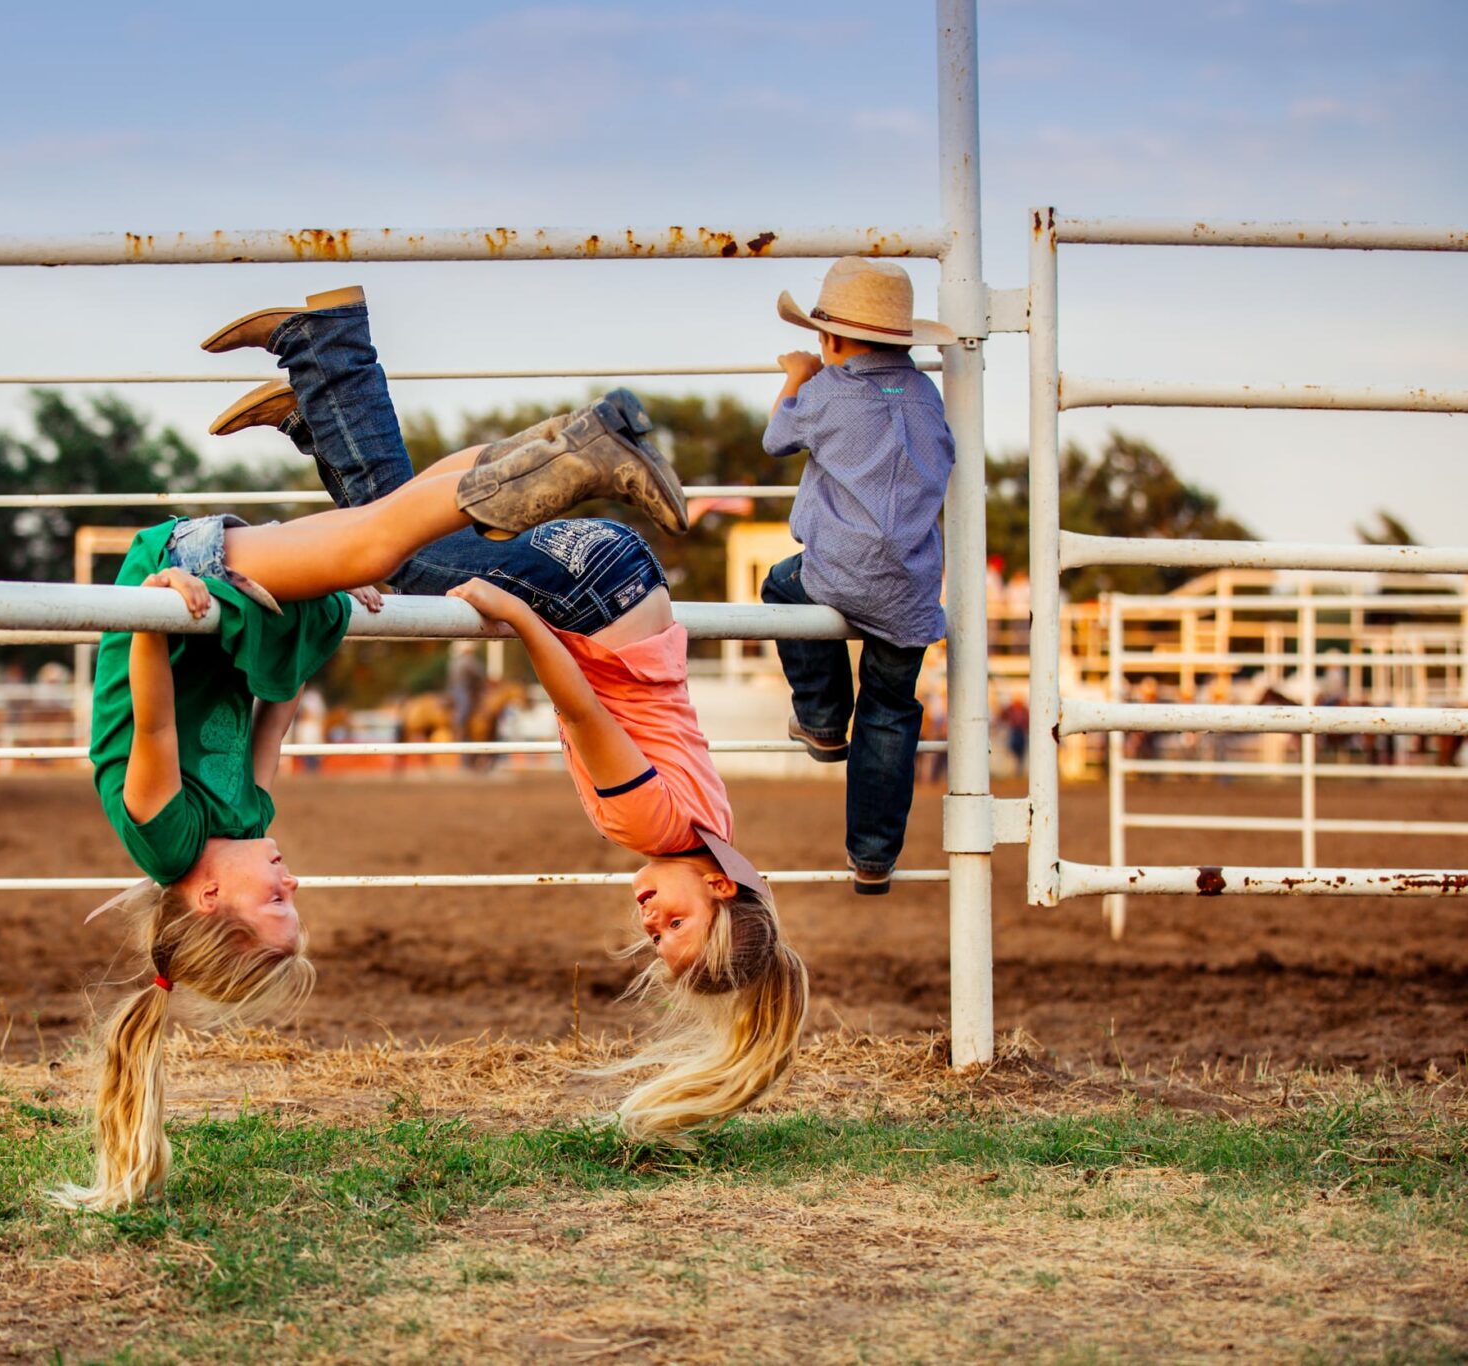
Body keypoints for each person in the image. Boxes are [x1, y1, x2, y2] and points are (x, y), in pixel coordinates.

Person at [58, 328, 689, 1212]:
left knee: (374, 544)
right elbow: (272, 706)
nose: (292, 881)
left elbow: (153, 721)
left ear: (208, 902)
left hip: (170, 591)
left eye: (275, 903)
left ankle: (574, 453)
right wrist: (326, 607)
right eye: (294, 900)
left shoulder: (166, 843)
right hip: (236, 630)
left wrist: (152, 615)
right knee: (377, 549)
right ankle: (569, 437)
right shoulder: (246, 821)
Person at [204, 286, 808, 1142]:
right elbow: (580, 706)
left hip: (618, 583)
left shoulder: (712, 826)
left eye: (652, 937)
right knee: (400, 554)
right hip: (590, 600)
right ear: (718, 888)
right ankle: (333, 354)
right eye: (674, 922)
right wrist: (518, 620)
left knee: (405, 518)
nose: (646, 919)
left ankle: (322, 400)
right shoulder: (648, 821)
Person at [758, 257, 956, 895]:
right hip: (913, 585)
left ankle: (820, 716)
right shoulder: (921, 392)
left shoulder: (827, 390)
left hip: (841, 571)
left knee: (780, 587)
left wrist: (796, 378)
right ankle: (873, 856)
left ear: (831, 340)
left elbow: (776, 439)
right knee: (892, 709)